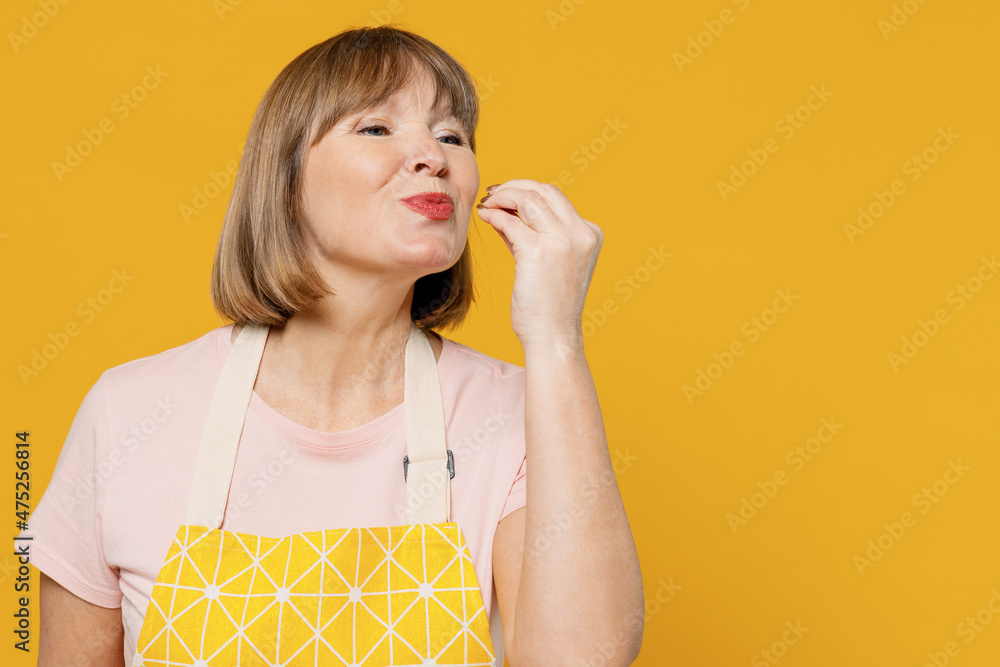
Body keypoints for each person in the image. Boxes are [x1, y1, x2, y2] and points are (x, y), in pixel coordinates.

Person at [25, 24, 644, 666]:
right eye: (376, 128)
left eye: (451, 136)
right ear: (285, 178)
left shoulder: (521, 413)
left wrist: (556, 339)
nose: (433, 157)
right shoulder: (128, 412)